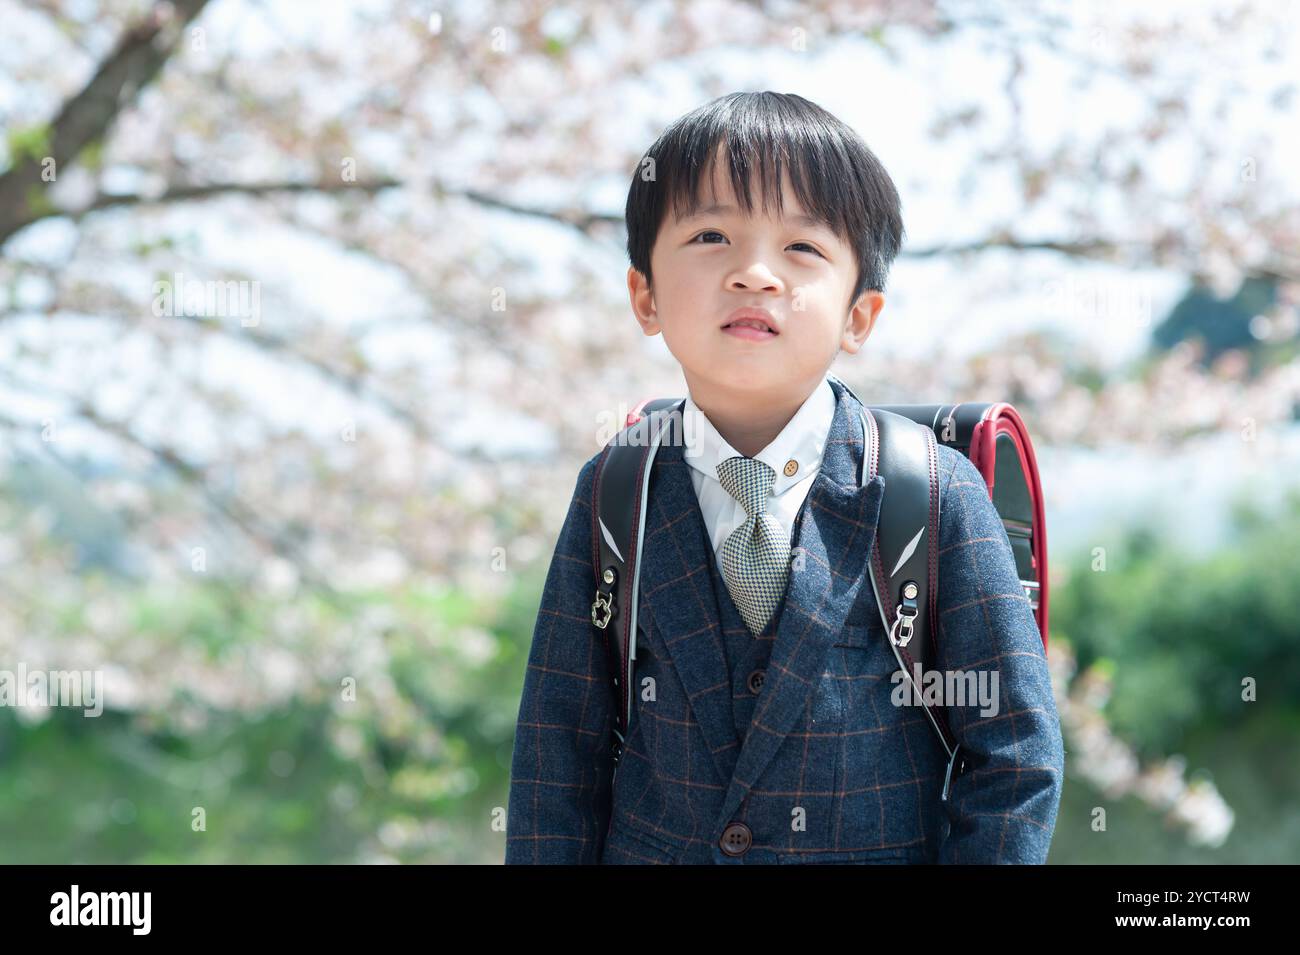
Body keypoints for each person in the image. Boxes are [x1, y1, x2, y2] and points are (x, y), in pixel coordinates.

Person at [505, 91, 1064, 864]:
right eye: (710, 234)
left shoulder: (932, 494)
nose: (755, 273)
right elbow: (554, 757)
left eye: (803, 249)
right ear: (646, 296)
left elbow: (1015, 758)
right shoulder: (617, 491)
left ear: (858, 315)